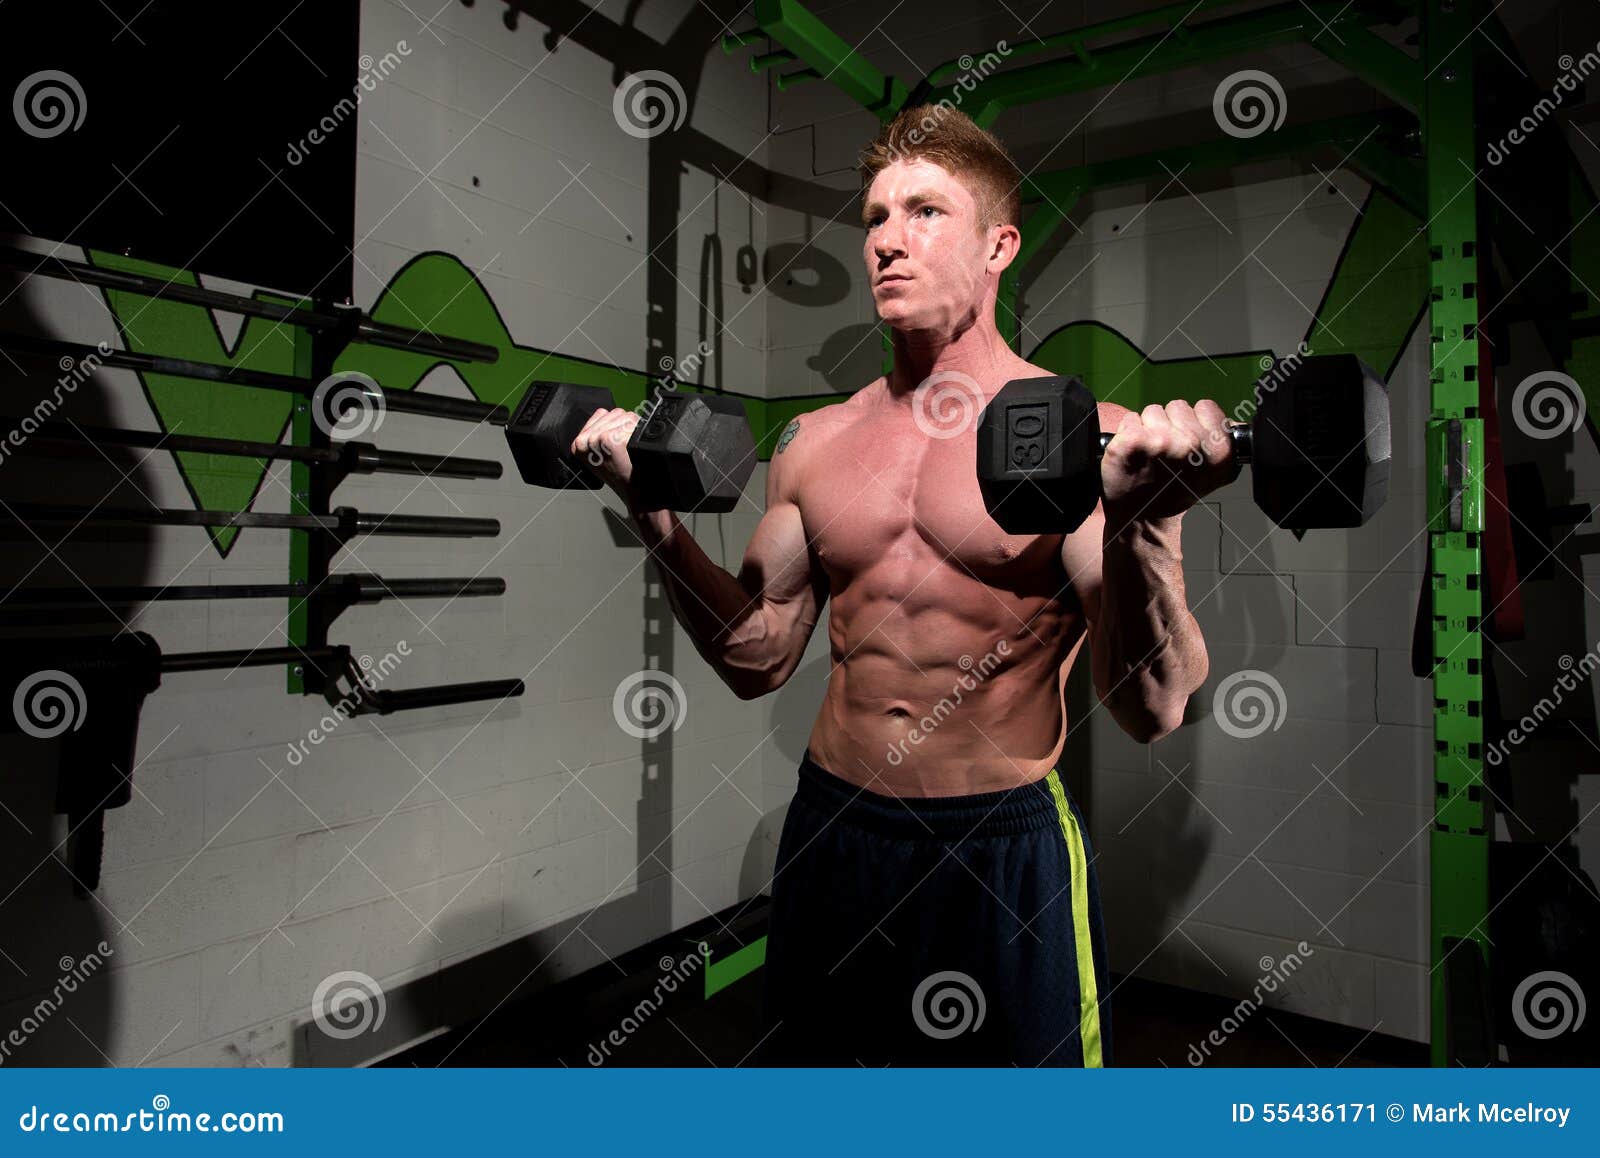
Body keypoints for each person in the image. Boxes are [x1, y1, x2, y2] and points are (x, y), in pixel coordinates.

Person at [571, 103, 1239, 1066]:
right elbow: (758, 655)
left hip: (996, 845)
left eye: (926, 212)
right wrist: (654, 516)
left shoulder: (1088, 438)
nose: (887, 240)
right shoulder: (814, 443)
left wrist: (1150, 526)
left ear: (999, 245)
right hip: (833, 826)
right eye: (876, 218)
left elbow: (1154, 707)